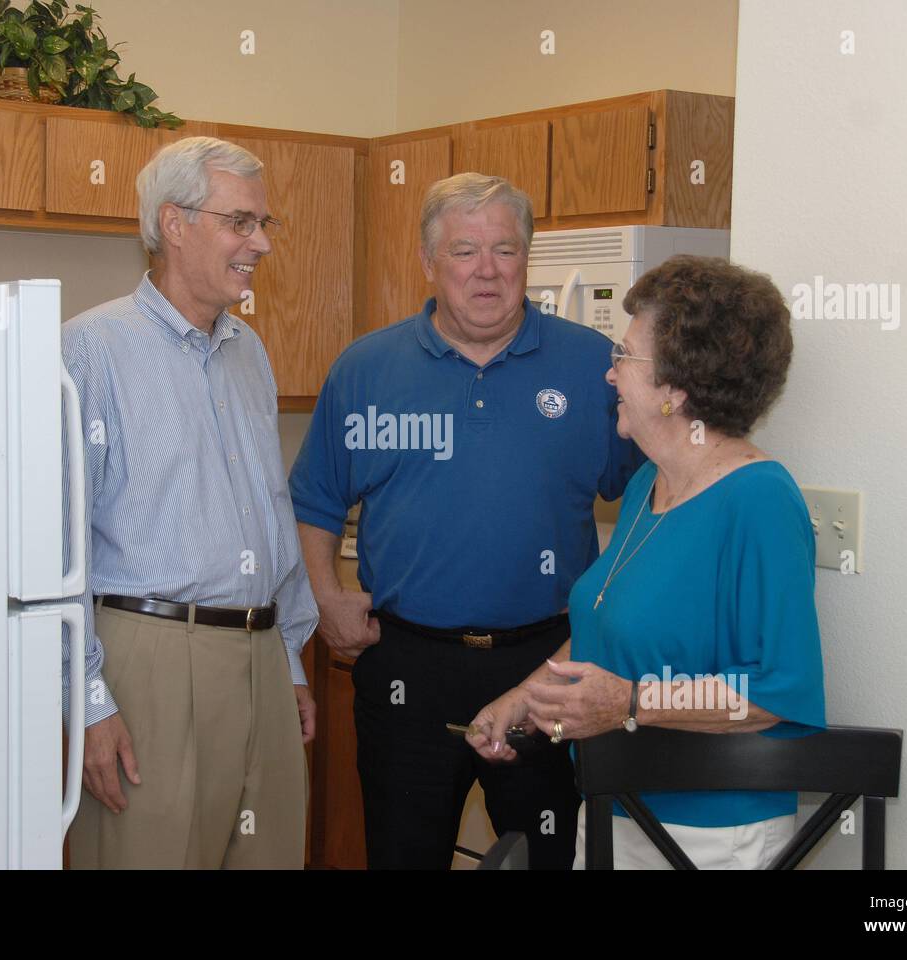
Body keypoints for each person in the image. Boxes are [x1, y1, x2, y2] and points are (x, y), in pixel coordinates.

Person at [289, 173, 642, 869]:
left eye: (505, 250)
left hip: (547, 668)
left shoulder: (596, 369)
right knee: (403, 854)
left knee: (547, 856)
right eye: (464, 251)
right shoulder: (366, 369)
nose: (487, 271)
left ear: (527, 259)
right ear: (428, 262)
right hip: (405, 668)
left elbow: (652, 498)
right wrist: (325, 596)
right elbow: (314, 500)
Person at [467, 254, 826, 870]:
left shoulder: (758, 500)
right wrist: (526, 696)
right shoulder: (647, 486)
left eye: (624, 356)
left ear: (676, 388)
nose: (610, 376)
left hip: (711, 835)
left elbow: (775, 692)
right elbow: (603, 632)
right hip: (615, 808)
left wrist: (633, 703)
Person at [61, 136, 318, 869]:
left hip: (261, 657)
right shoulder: (90, 350)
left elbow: (270, 512)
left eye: (263, 223)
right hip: (150, 664)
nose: (260, 243)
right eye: (240, 222)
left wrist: (291, 660)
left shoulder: (250, 352)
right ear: (174, 224)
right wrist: (89, 706)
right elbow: (55, 549)